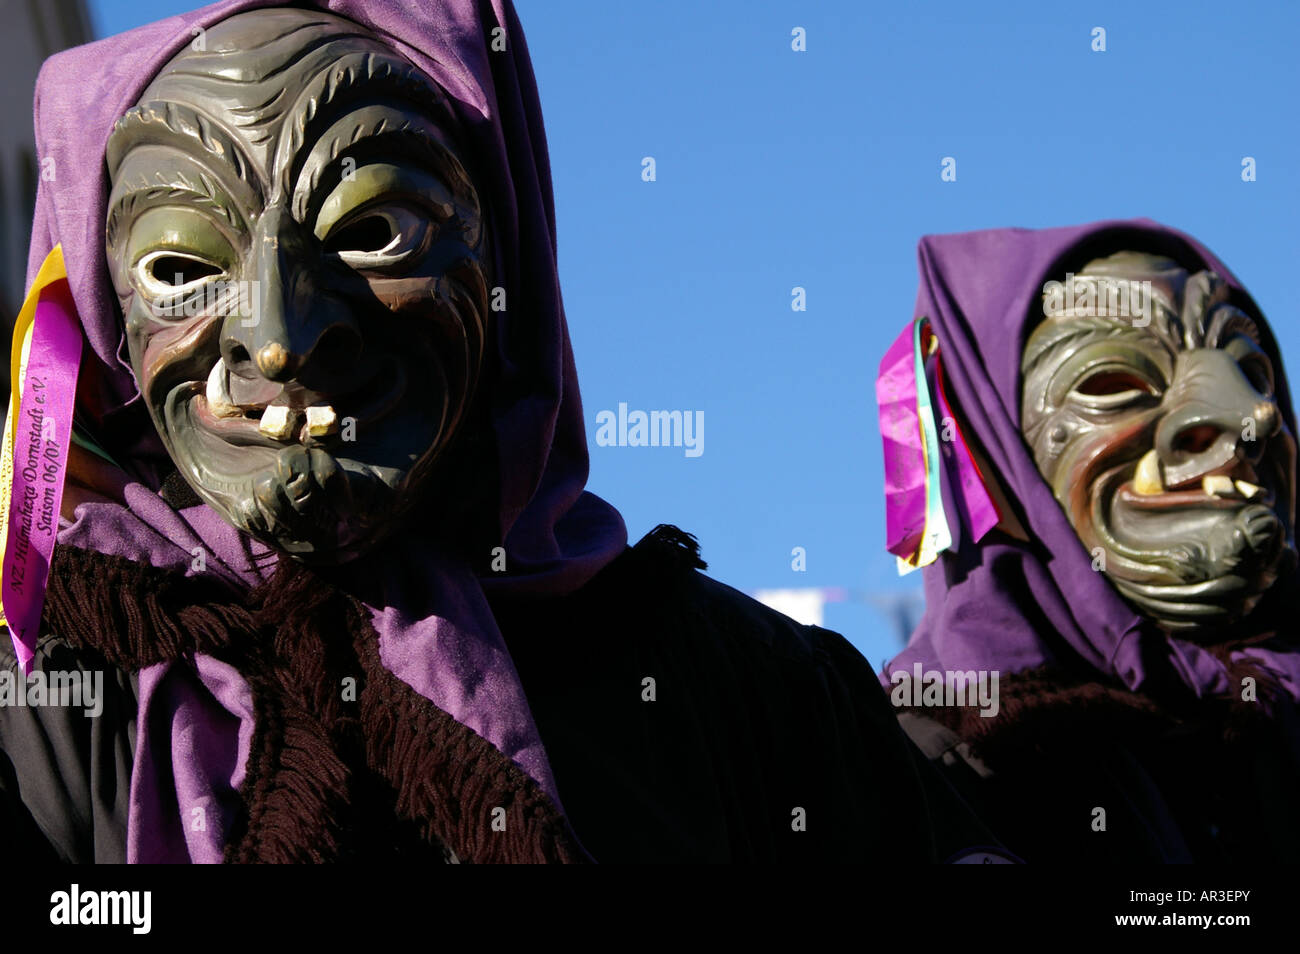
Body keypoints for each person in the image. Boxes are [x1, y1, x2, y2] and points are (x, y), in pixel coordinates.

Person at [0, 0, 997, 864]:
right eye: (183, 267)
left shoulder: (751, 697)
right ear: (111, 331)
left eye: (373, 229)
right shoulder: (49, 697)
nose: (281, 336)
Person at [884, 220, 1300, 862]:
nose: (1249, 418)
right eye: (1114, 384)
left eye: (1254, 374)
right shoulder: (906, 783)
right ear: (999, 455)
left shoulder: (1280, 734)